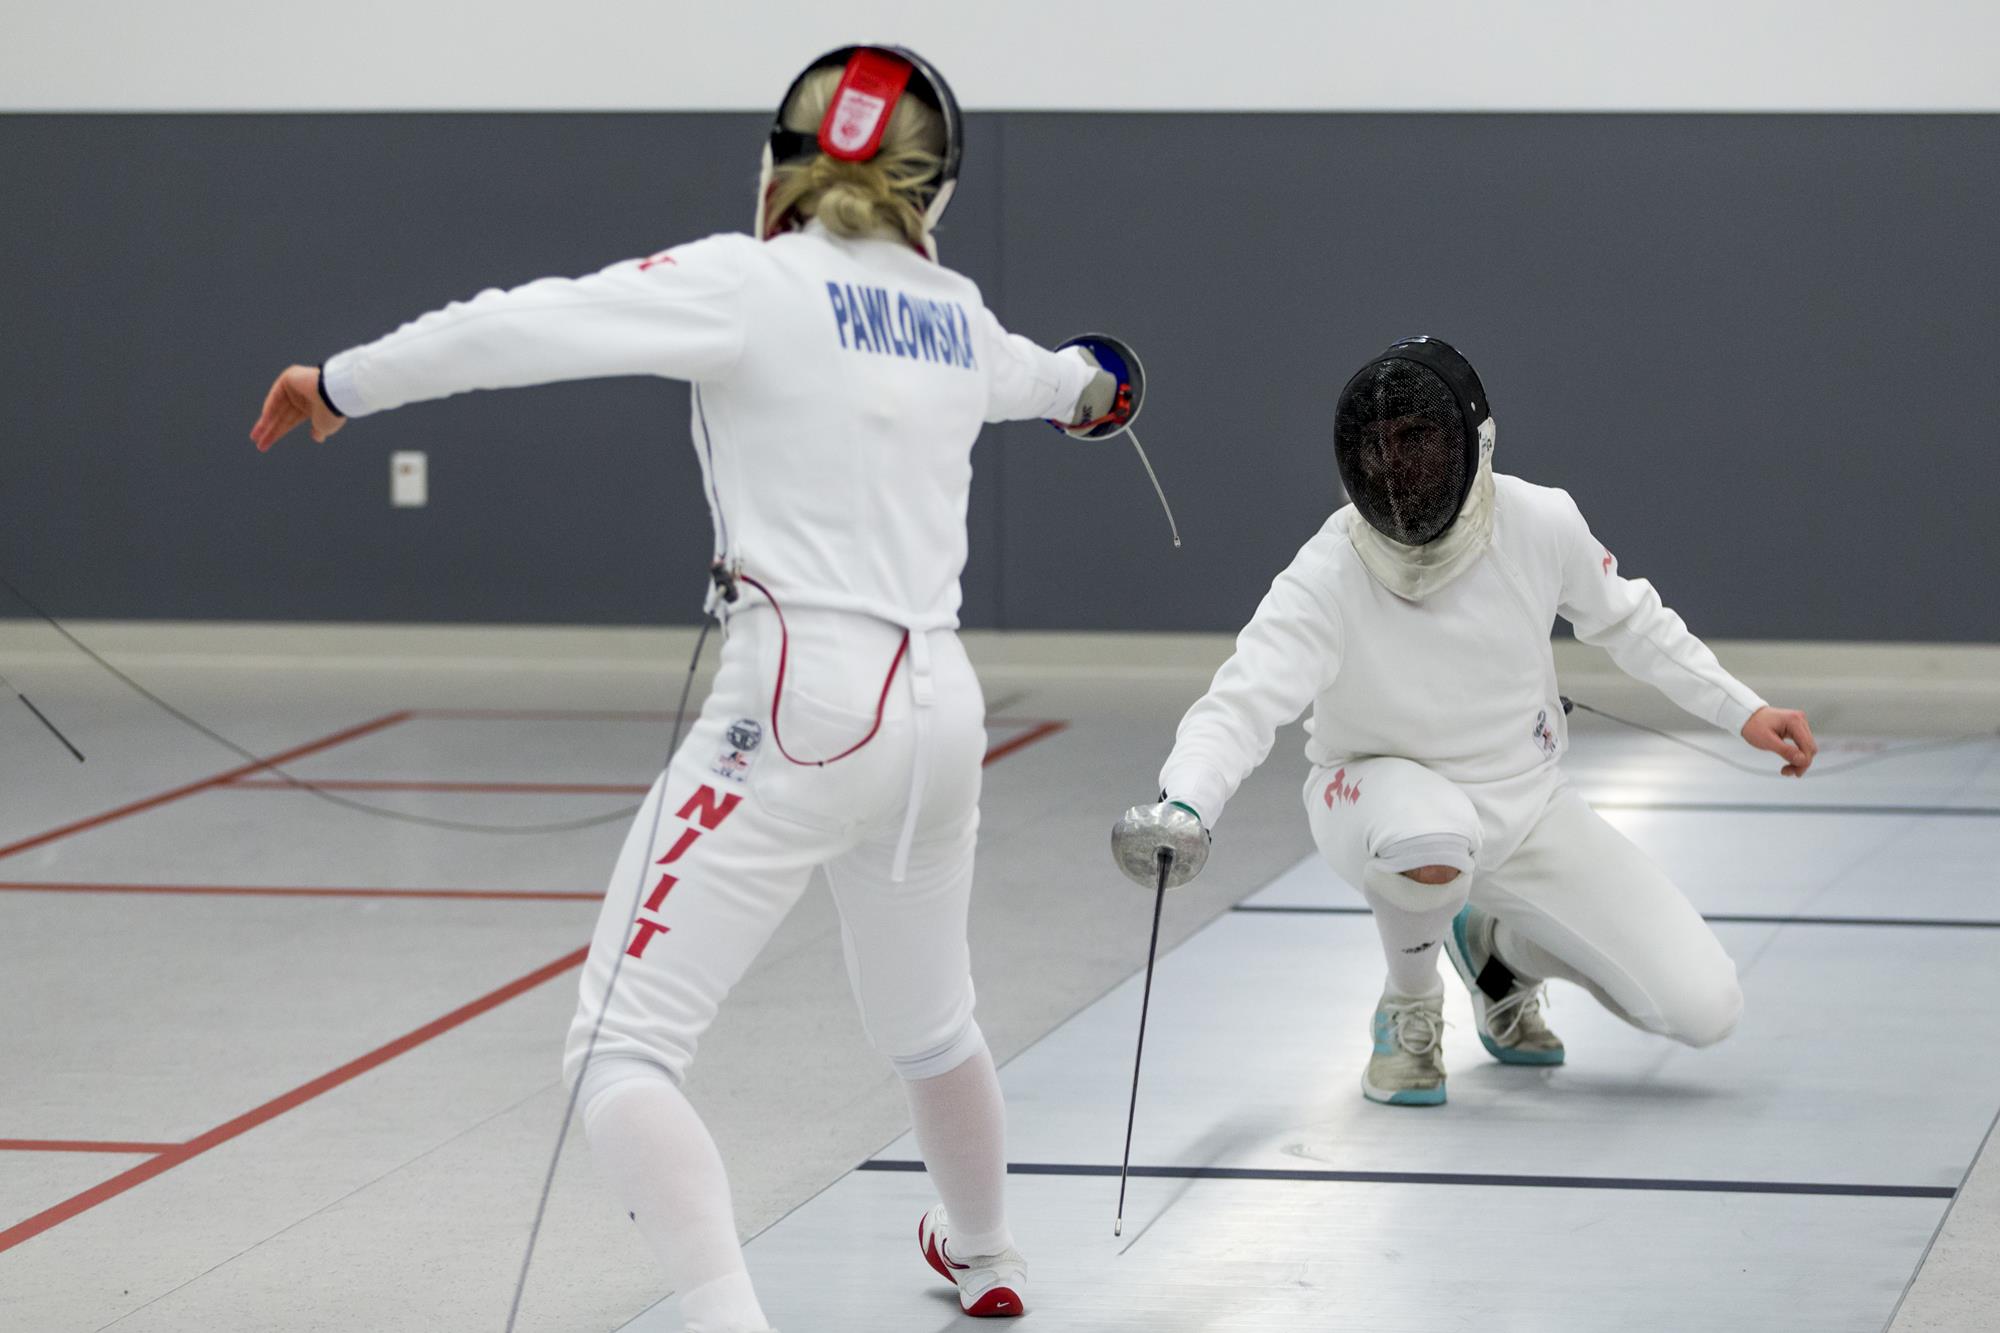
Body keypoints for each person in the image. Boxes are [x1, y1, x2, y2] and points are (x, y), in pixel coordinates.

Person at [251, 45, 1137, 1330]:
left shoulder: (748, 281)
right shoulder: (954, 316)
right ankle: (987, 1254)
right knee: (930, 1019)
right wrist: (1101, 389)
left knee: (620, 1049)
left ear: (782, 158)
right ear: (930, 185)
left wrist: (343, 382)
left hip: (793, 708)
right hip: (938, 716)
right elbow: (1060, 383)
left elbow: (522, 325)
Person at [1112, 336, 1816, 1107]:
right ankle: (1409, 1005)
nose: (1395, 466)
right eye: (1377, 445)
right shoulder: (1329, 569)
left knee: (1705, 1006)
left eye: (1416, 438)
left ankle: (1497, 954)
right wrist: (1186, 802)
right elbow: (1242, 701)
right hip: (1374, 800)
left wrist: (1741, 707)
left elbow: (1631, 621)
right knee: (1432, 833)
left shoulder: (1540, 522)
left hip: (1527, 807)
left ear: (1473, 443)